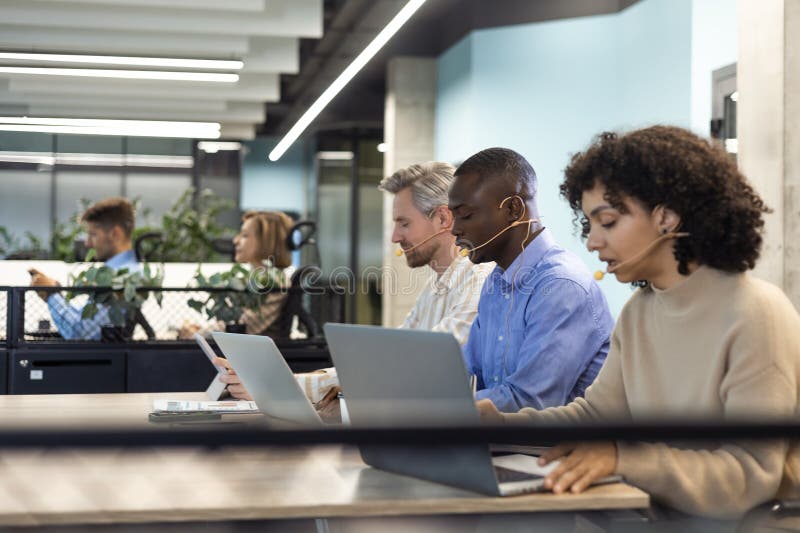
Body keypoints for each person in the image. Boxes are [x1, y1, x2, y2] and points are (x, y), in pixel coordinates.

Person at [478, 126, 800, 521]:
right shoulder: (640, 312)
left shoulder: (756, 313)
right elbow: (597, 418)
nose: (592, 241)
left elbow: (748, 477)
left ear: (666, 218)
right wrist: (502, 426)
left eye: (608, 221)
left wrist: (623, 458)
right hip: (661, 520)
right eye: (590, 224)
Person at [218, 162, 493, 404]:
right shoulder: (435, 289)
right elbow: (387, 357)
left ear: (443, 219)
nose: (395, 237)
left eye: (404, 223)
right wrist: (283, 383)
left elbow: (409, 364)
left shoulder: (478, 284)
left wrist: (279, 387)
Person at [450, 147, 614, 412]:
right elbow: (467, 375)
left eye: (466, 215)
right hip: (499, 436)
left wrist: (435, 407)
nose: (455, 229)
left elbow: (529, 402)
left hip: (548, 439)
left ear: (513, 209)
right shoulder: (496, 283)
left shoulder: (561, 285)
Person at [30, 197, 139, 340]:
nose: (87, 243)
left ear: (115, 234)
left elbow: (82, 334)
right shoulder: (125, 272)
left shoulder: (122, 276)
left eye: (93, 235)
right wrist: (55, 293)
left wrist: (52, 295)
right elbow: (85, 322)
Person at [181, 210, 293, 338]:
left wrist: (197, 335)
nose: (236, 240)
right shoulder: (256, 279)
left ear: (266, 241)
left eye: (245, 235)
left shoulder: (275, 282)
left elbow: (242, 326)